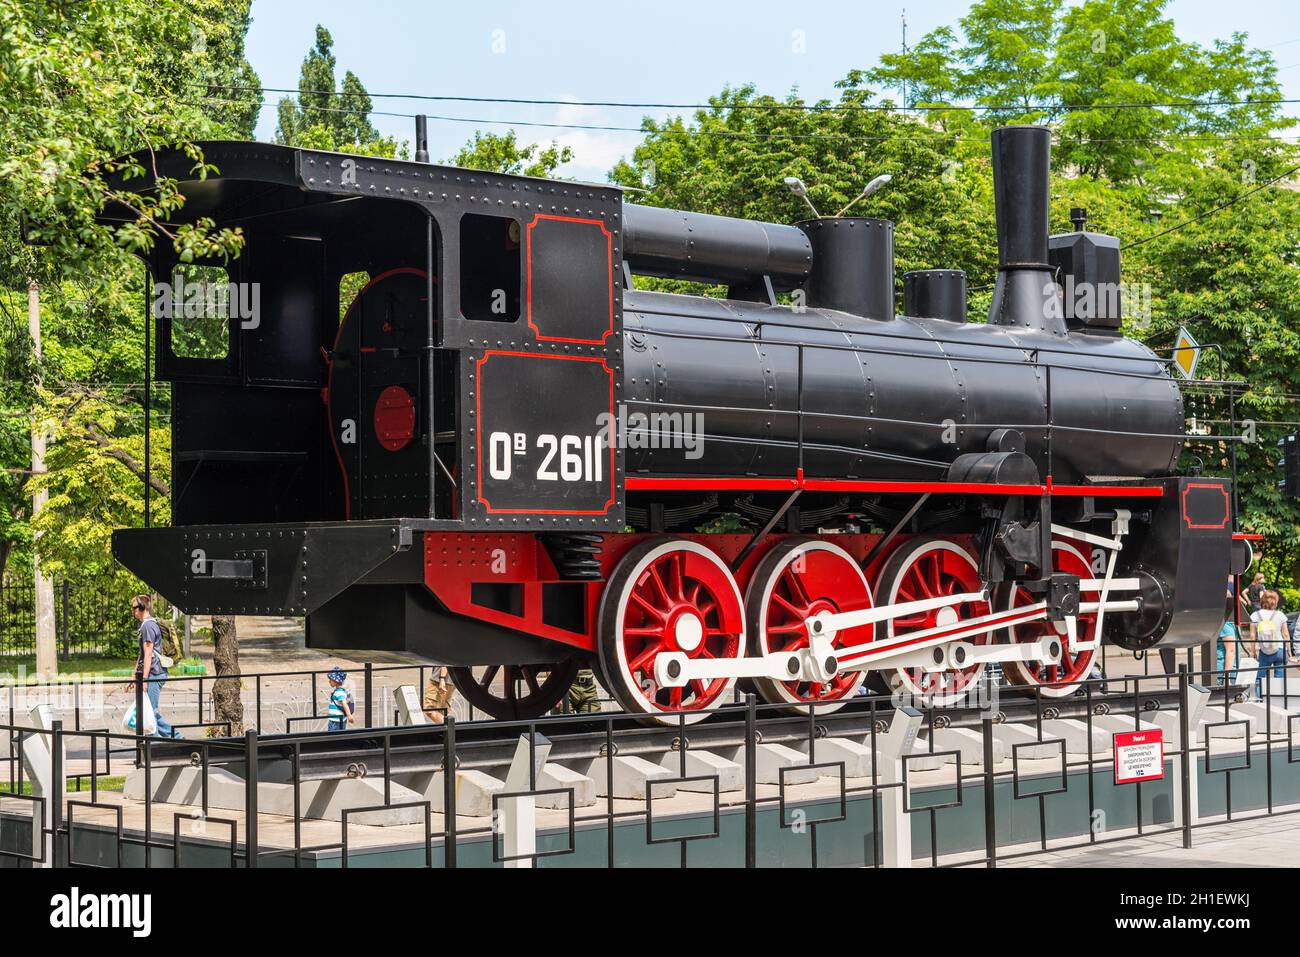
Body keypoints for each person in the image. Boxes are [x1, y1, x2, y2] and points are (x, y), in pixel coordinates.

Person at [126, 595, 182, 739]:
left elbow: (149, 653)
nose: (133, 612)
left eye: (134, 608)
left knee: (151, 712)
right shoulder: (146, 625)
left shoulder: (148, 626)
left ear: (142, 608)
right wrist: (134, 675)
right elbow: (142, 653)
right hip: (152, 673)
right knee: (149, 711)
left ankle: (167, 741)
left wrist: (144, 679)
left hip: (155, 674)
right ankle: (164, 741)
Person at [1248, 590, 1292, 698]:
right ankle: (1278, 698)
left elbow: (1253, 636)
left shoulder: (1255, 615)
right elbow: (1285, 634)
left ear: (1262, 601)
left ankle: (1259, 697)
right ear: (1275, 601)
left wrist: (1252, 652)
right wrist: (1289, 651)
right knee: (1280, 675)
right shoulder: (1280, 615)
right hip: (1279, 649)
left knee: (1261, 676)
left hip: (1264, 650)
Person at [1218, 576, 1240, 686]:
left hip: (1222, 671)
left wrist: (1226, 677)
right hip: (1227, 670)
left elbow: (1231, 651)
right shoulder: (1230, 622)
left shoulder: (1224, 624)